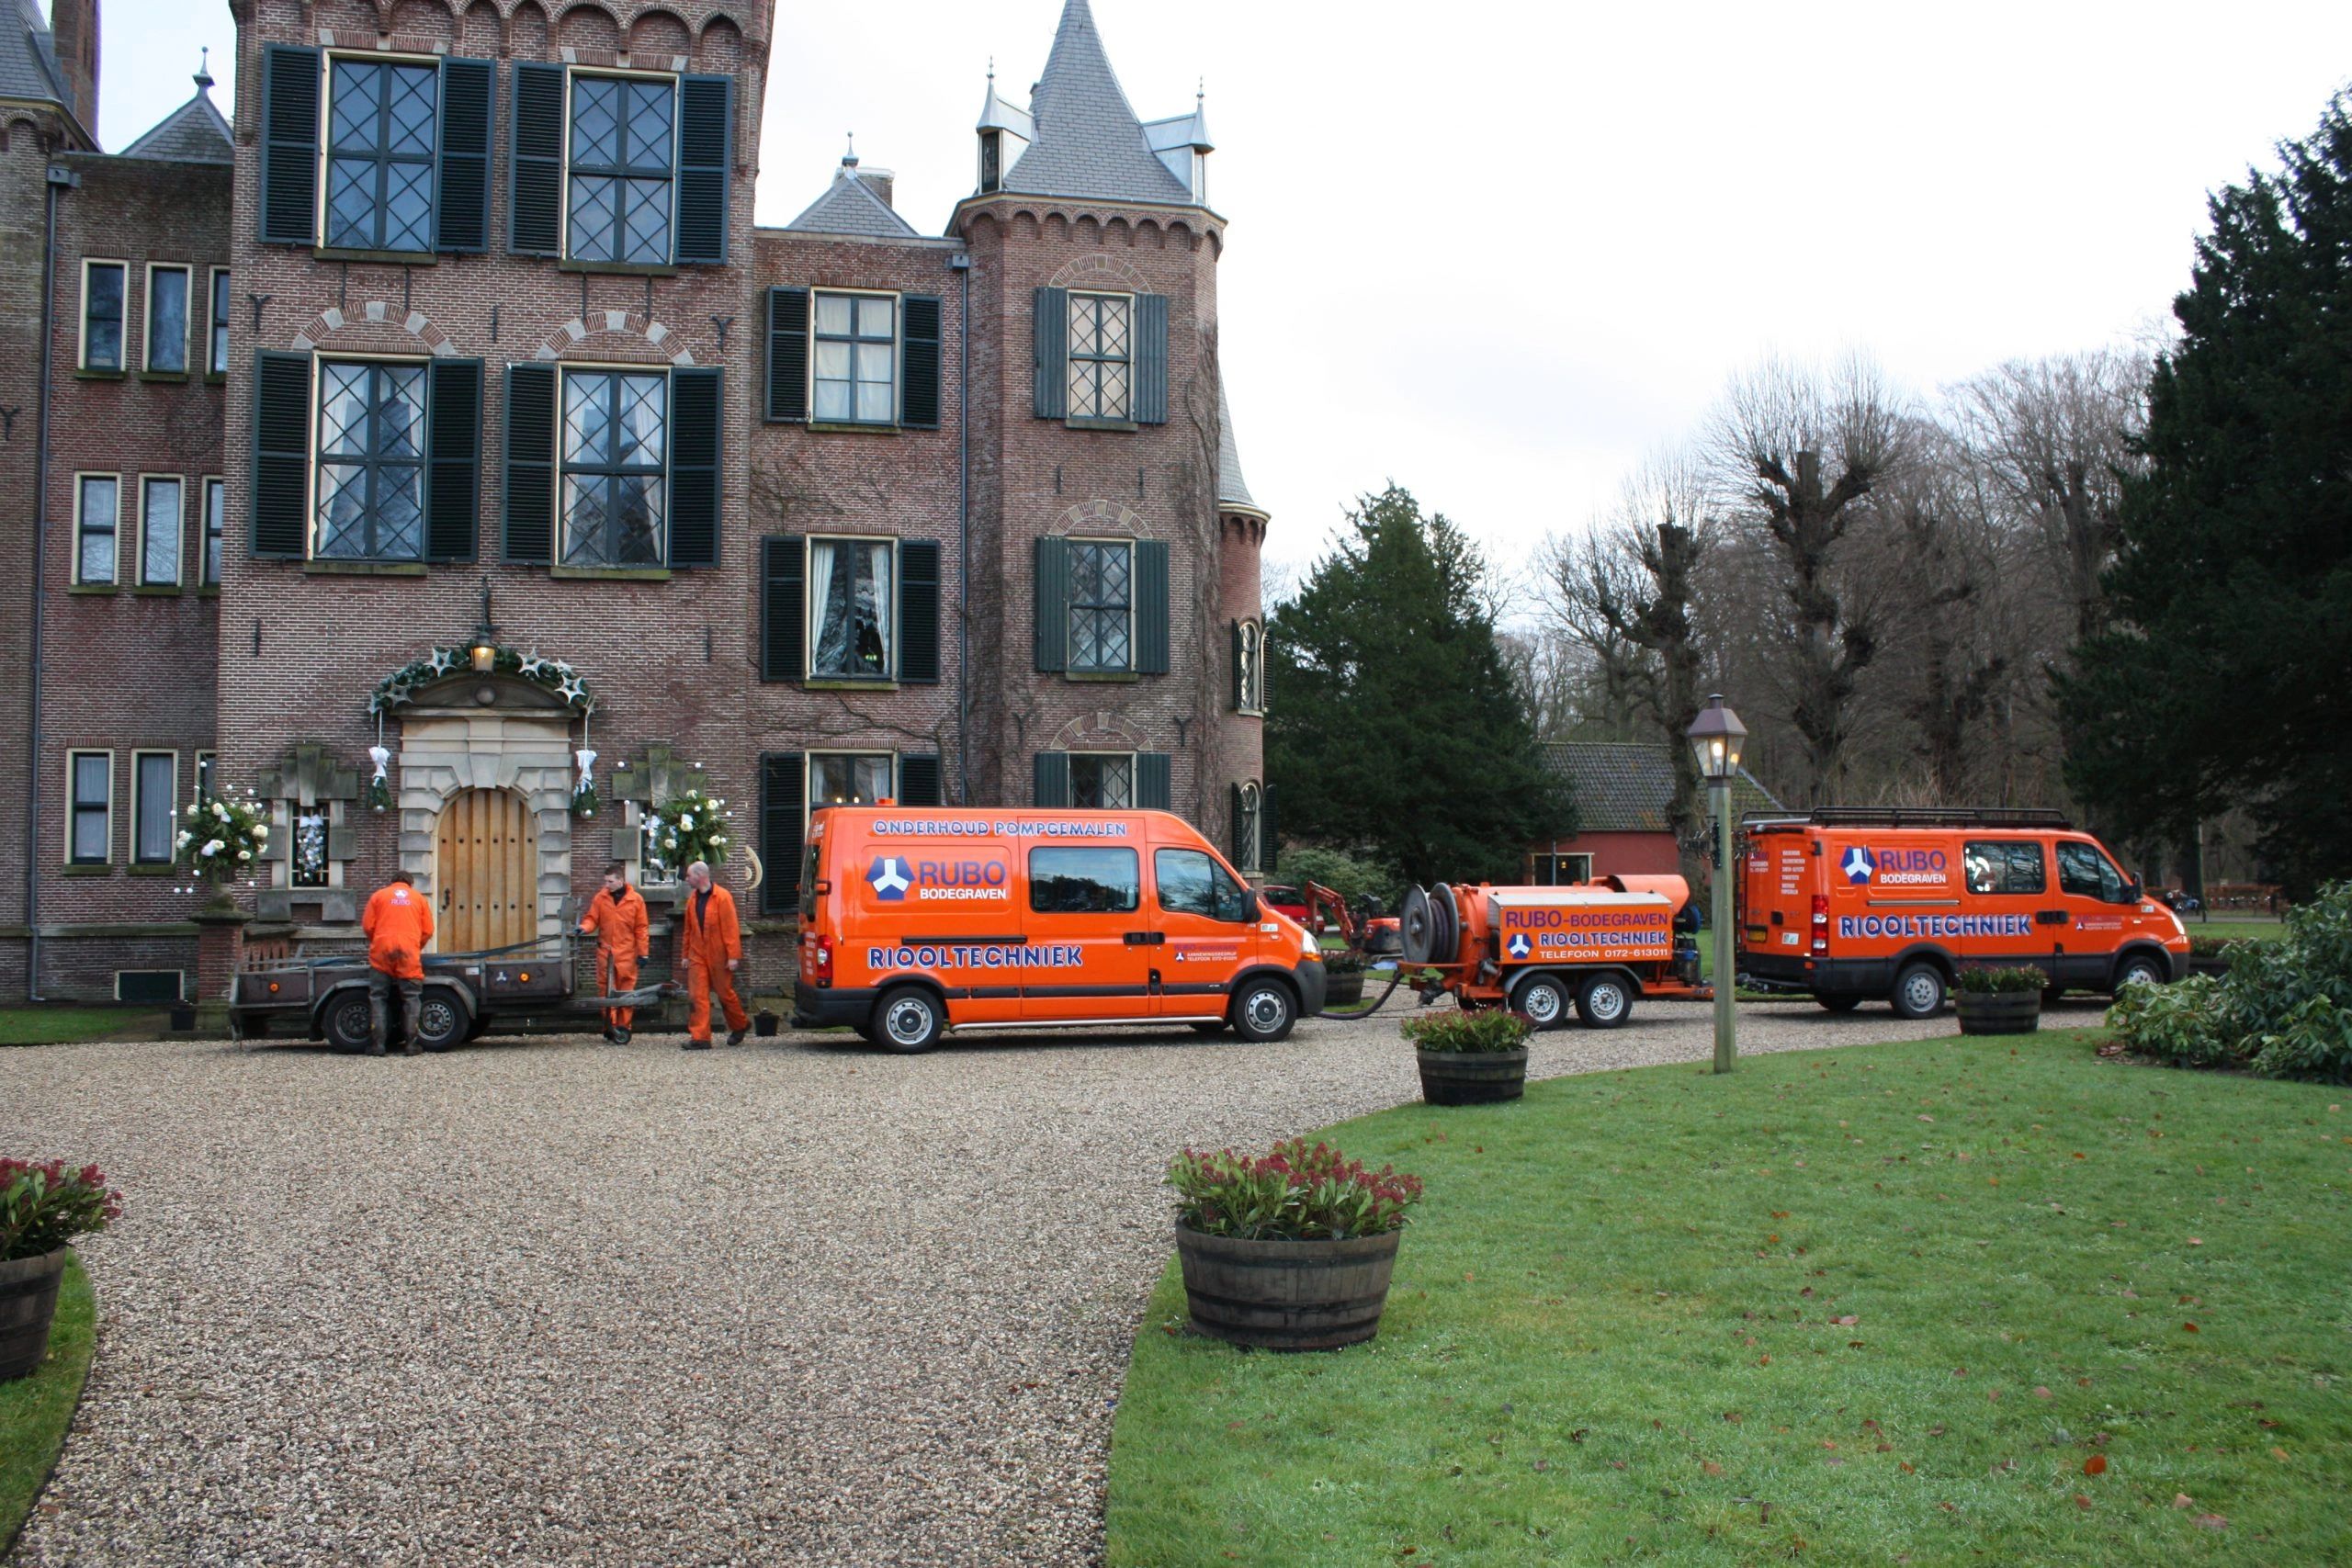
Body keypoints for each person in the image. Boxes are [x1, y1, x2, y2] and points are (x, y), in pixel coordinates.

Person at [360, 869, 434, 1056]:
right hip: (408, 952)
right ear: (410, 884)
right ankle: (411, 1045)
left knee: (378, 997)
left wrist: (378, 941)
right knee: (411, 997)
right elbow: (428, 930)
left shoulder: (378, 896)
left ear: (392, 882)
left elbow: (368, 926)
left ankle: (378, 1045)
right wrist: (416, 946)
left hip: (382, 951)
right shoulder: (419, 899)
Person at [676, 859, 749, 1050]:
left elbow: (731, 928)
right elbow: (688, 930)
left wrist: (733, 956)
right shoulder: (692, 900)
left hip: (719, 954)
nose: (686, 879)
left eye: (689, 875)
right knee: (697, 996)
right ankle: (700, 1038)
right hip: (697, 954)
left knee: (725, 994)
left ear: (699, 876)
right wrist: (685, 955)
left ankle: (740, 1025)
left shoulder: (722, 897)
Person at [578, 862, 650, 1044]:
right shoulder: (601, 898)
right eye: (606, 881)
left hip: (627, 954)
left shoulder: (636, 900)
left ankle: (624, 1028)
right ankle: (610, 1027)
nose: (606, 885)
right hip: (606, 953)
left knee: (626, 993)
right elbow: (592, 918)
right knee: (605, 992)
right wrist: (583, 928)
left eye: (610, 881)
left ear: (620, 880)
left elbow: (641, 928)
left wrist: (643, 953)